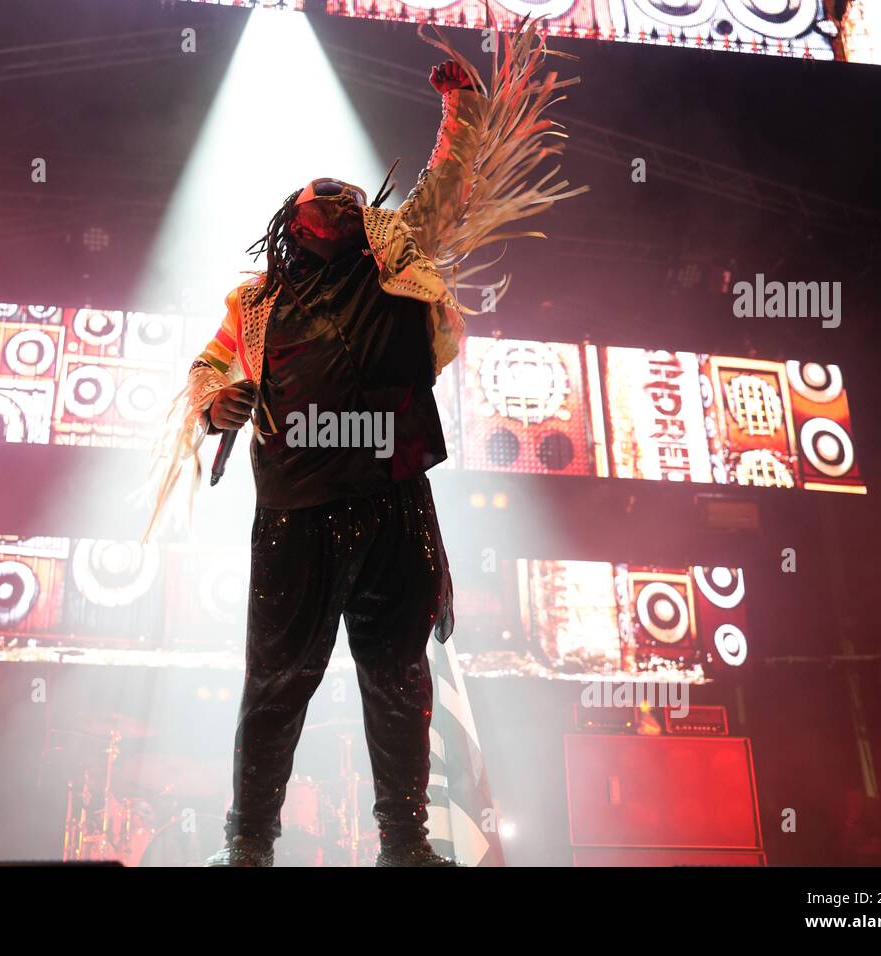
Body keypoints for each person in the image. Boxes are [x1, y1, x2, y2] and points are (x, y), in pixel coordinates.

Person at [141, 21, 584, 866]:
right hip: (295, 513)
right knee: (277, 683)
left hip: (391, 500)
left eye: (348, 190)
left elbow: (445, 189)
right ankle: (248, 845)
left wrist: (463, 108)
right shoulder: (257, 302)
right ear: (294, 220)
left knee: (399, 678)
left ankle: (406, 844)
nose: (337, 193)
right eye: (320, 192)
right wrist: (218, 401)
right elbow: (206, 369)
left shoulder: (396, 260)